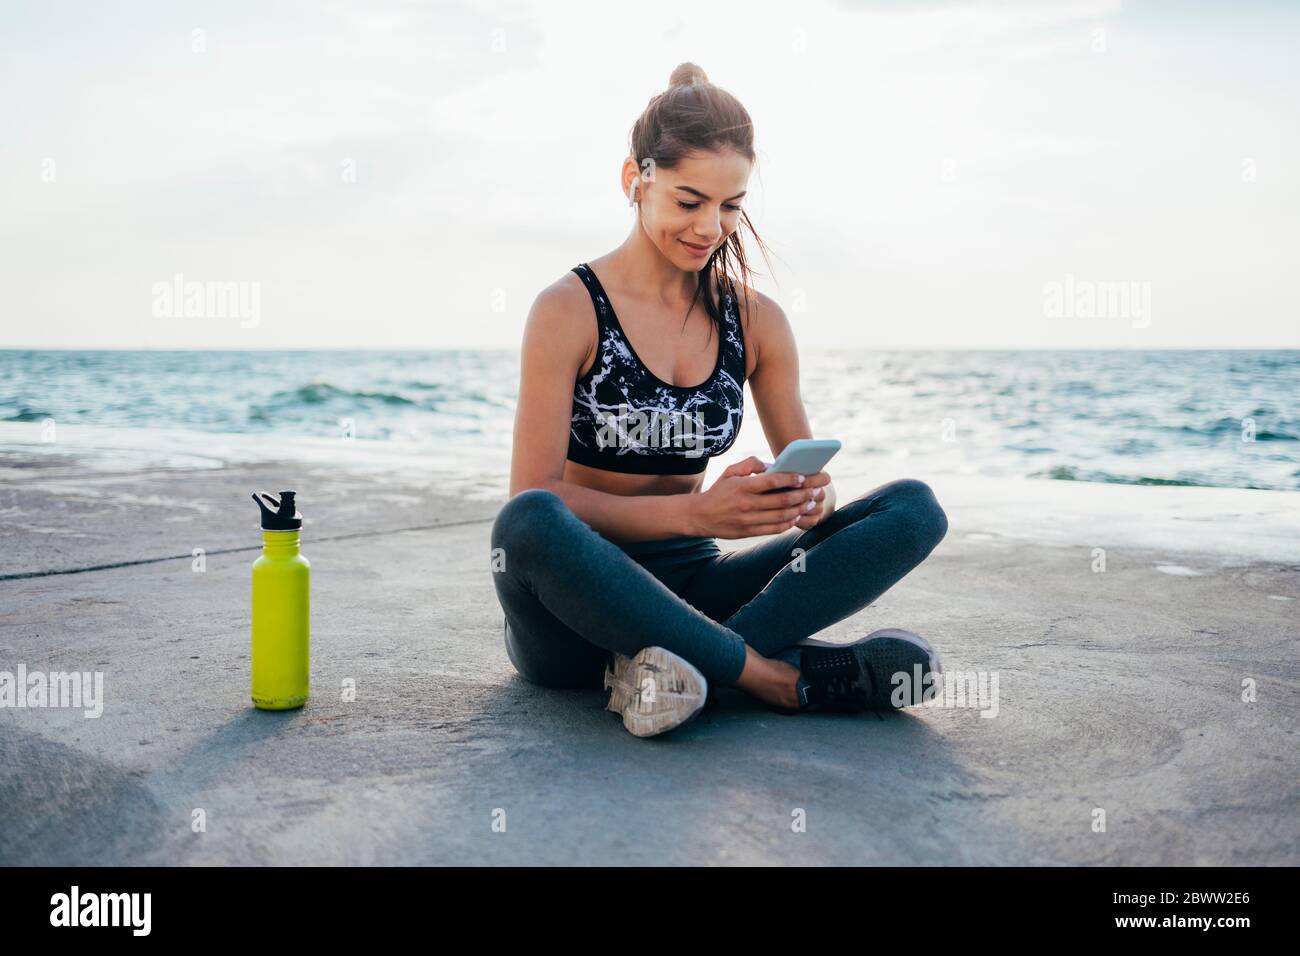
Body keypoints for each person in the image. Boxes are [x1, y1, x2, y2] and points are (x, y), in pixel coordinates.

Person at [491, 62, 948, 738]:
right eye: (688, 200)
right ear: (635, 181)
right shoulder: (569, 309)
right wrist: (700, 512)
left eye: (730, 206)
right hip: (572, 612)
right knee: (527, 523)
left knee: (912, 510)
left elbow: (816, 492)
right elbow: (537, 492)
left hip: (696, 589)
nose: (711, 226)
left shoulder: (756, 322)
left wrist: (793, 498)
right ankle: (776, 680)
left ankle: (678, 674)